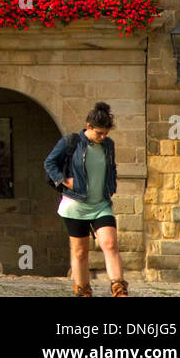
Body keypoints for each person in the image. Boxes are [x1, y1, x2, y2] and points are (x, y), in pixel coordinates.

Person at [44, 101, 126, 297]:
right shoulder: (71, 142)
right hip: (75, 204)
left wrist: (111, 185)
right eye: (99, 133)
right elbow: (50, 163)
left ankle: (118, 288)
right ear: (88, 127)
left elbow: (111, 167)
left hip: (101, 204)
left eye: (106, 133)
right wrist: (63, 180)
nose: (103, 136)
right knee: (80, 251)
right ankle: (83, 291)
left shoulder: (108, 145)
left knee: (110, 243)